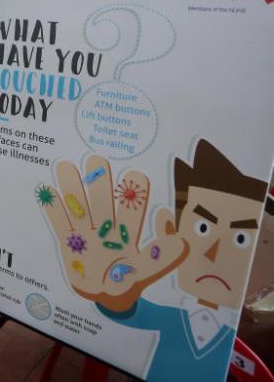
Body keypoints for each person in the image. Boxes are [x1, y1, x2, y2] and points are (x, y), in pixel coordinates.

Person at [40, 140, 268, 380]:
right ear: (169, 231)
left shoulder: (235, 336)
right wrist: (110, 289)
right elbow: (127, 312)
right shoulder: (173, 318)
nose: (213, 253)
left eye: (240, 238)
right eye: (202, 228)